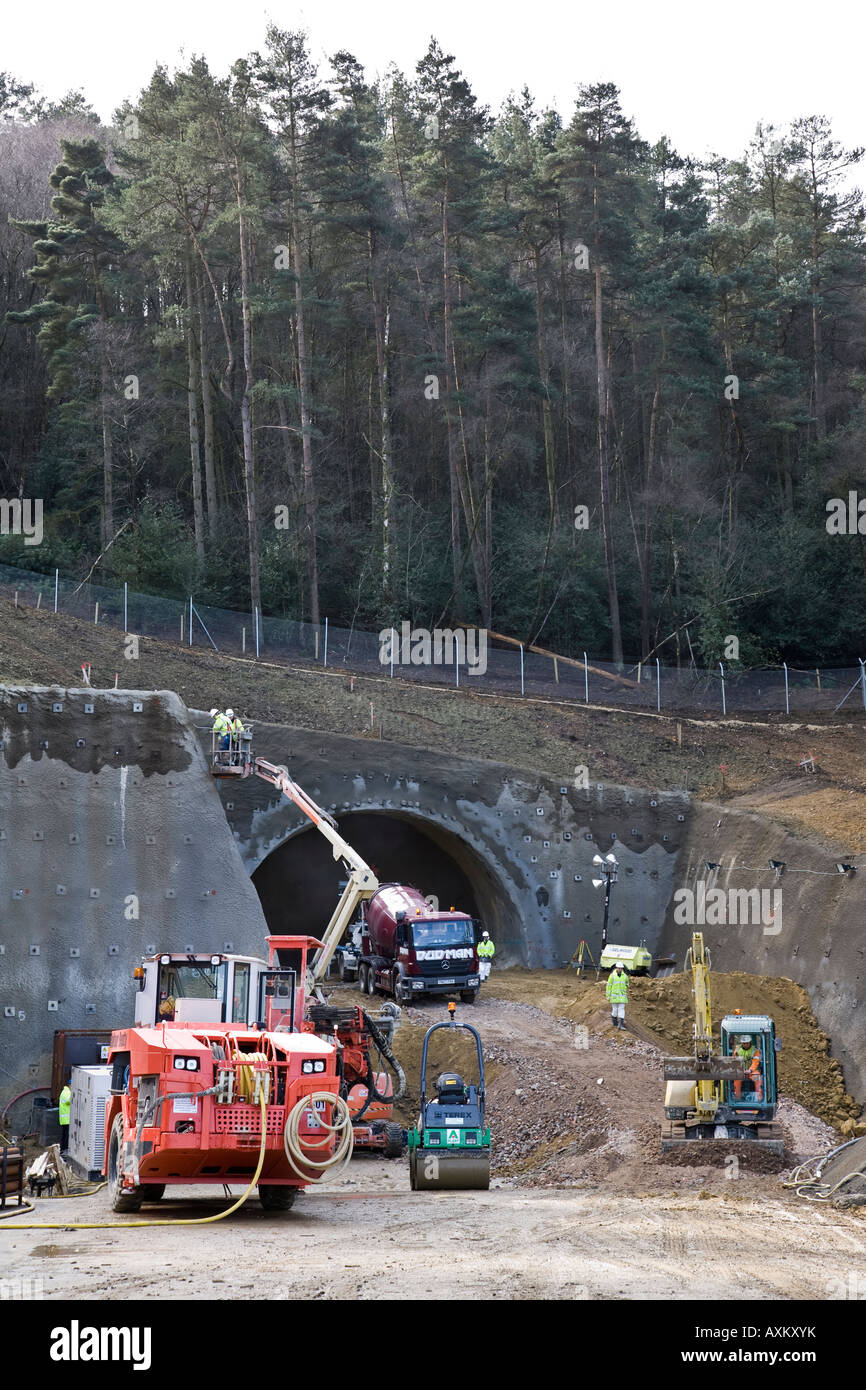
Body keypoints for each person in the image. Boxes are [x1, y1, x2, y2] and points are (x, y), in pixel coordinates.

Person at [605, 960, 629, 1029]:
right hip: (614, 996)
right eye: (619, 968)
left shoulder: (625, 976)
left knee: (621, 1009)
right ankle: (615, 1023)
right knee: (615, 1009)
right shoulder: (612, 976)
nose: (620, 969)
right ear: (616, 968)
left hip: (622, 996)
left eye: (621, 968)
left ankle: (620, 1024)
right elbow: (609, 986)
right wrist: (608, 996)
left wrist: (624, 988)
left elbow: (627, 983)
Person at [58, 1080, 71, 1155]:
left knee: (64, 1135)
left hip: (65, 1119)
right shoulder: (66, 1092)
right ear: (69, 1085)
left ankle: (63, 1150)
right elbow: (68, 1100)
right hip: (66, 1119)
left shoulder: (65, 1091)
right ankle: (64, 1150)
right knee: (66, 1136)